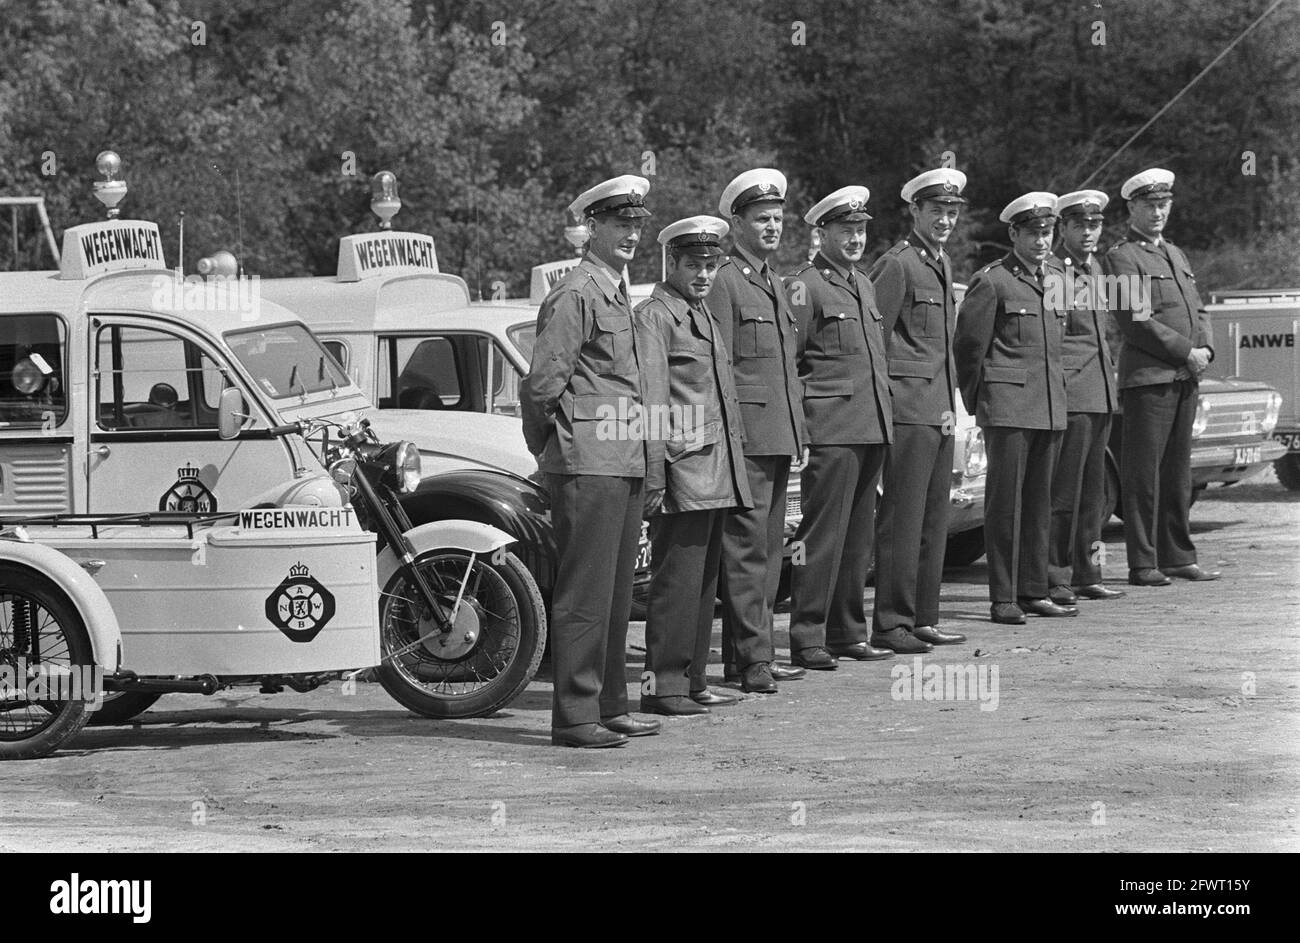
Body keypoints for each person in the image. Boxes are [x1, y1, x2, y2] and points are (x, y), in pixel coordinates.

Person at [520, 174, 663, 748]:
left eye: (637, 225)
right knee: (585, 593)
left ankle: (610, 703)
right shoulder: (577, 293)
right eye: (620, 224)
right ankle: (576, 716)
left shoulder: (617, 292)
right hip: (587, 463)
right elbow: (542, 385)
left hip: (622, 459)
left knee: (616, 592)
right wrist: (550, 449)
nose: (631, 234)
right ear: (593, 229)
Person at [786, 185, 909, 668]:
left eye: (860, 229)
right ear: (823, 233)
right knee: (821, 538)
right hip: (831, 429)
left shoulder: (862, 282)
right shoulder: (806, 285)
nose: (856, 238)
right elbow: (791, 362)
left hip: (870, 425)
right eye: (845, 229)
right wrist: (801, 426)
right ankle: (808, 634)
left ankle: (847, 631)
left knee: (859, 538)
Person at [636, 216, 752, 716]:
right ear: (672, 264)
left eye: (710, 265)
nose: (704, 275)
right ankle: (663, 685)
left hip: (716, 465)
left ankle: (692, 678)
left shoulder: (698, 312)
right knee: (675, 582)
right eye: (694, 265)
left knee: (705, 583)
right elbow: (652, 402)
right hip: (683, 469)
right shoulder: (656, 316)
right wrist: (655, 474)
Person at [707, 168, 809, 694]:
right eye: (761, 219)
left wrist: (799, 432)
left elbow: (785, 367)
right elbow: (719, 365)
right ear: (736, 223)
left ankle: (749, 655)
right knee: (747, 556)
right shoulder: (726, 281)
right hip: (745, 437)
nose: (772, 227)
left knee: (769, 555)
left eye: (777, 219)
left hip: (777, 435)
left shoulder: (772, 281)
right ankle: (753, 661)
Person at [954, 192, 1076, 625]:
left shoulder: (1060, 276)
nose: (1042, 241)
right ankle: (1004, 595)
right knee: (1005, 504)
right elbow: (968, 349)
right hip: (1006, 408)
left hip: (1048, 405)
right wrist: (980, 404)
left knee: (1040, 503)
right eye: (1033, 233)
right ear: (1014, 234)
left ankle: (1033, 588)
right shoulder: (992, 281)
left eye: (1048, 233)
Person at [1102, 168, 1219, 586]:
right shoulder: (1120, 256)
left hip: (1186, 375)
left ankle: (1177, 555)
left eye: (1163, 204)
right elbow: (1134, 321)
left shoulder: (1176, 253)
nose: (1157, 212)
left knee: (1177, 473)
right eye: (1149, 205)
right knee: (1143, 474)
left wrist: (1203, 349)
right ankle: (1144, 562)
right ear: (1131, 207)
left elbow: (1198, 310)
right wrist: (1184, 351)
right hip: (1149, 379)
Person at [869, 167, 970, 651]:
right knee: (902, 520)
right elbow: (876, 341)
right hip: (908, 409)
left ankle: (923, 615)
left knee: (934, 519)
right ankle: (891, 622)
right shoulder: (898, 264)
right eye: (937, 211)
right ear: (915, 211)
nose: (945, 219)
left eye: (952, 212)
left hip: (939, 411)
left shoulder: (941, 263)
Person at [1047, 190, 1125, 603]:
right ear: (1064, 228)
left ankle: (1086, 572)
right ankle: (1055, 576)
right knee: (1064, 495)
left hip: (1099, 391)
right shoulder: (1054, 273)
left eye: (1095, 225)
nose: (1089, 233)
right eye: (1080, 225)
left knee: (1093, 494)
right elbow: (1053, 341)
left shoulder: (1094, 270)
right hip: (1072, 392)